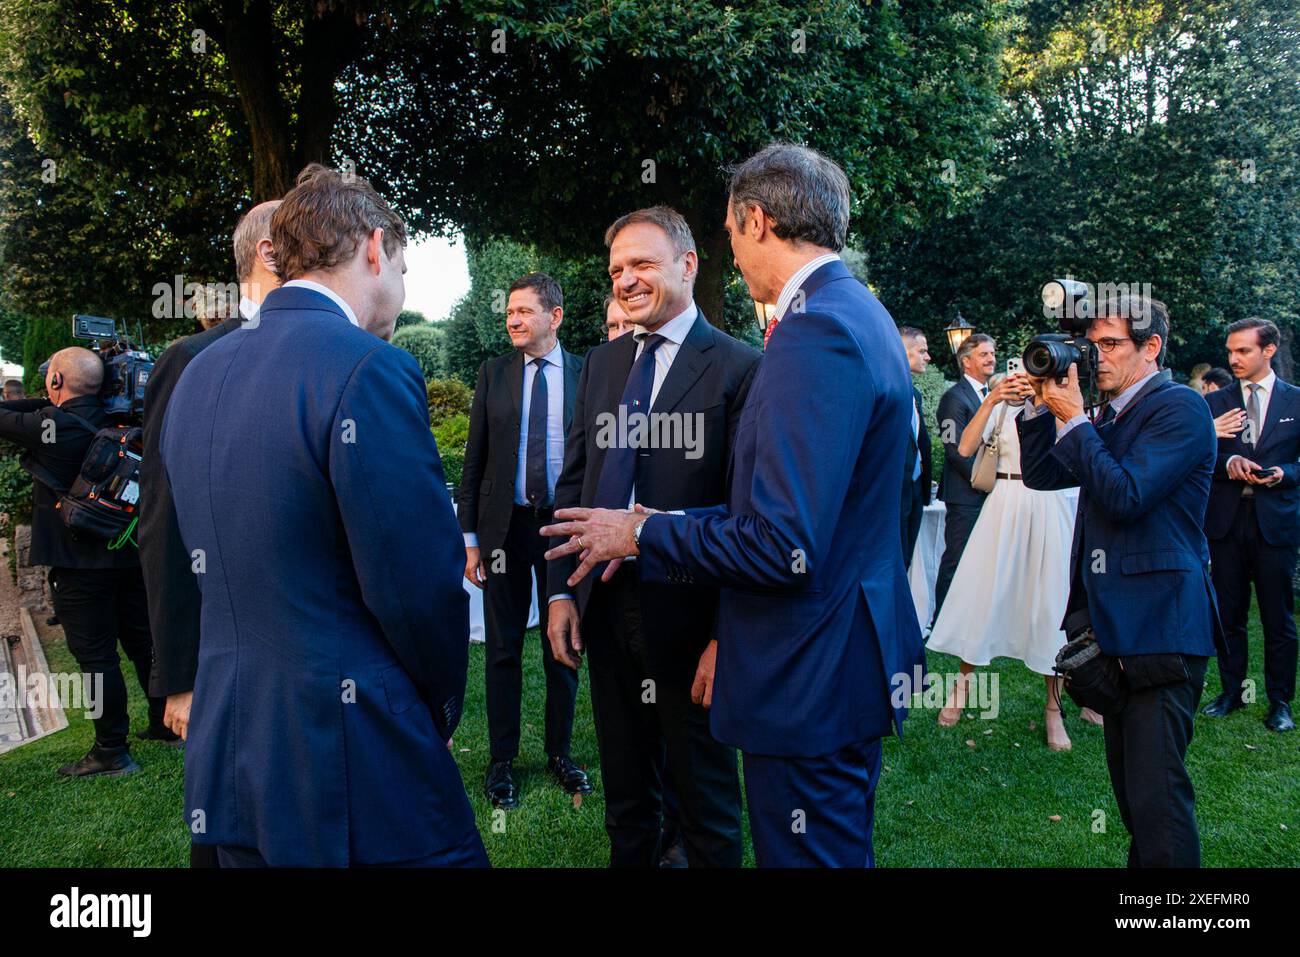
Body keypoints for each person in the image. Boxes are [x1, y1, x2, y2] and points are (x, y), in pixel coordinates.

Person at [542, 144, 924, 867]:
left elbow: (780, 541)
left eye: (728, 233)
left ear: (755, 220)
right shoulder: (857, 312)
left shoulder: (814, 333)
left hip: (809, 667)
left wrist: (646, 531)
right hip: (837, 655)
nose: (733, 255)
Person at [161, 163, 485, 867]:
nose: (401, 290)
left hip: (231, 760)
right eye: (402, 266)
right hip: (353, 763)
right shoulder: (369, 367)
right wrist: (437, 706)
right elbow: (417, 584)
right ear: (376, 247)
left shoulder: (196, 374)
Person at [546, 206, 758, 867]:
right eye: (616, 269)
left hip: (691, 622)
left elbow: (746, 517)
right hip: (605, 615)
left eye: (643, 264)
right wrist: (559, 594)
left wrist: (728, 636)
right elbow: (574, 484)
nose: (627, 280)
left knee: (707, 810)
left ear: (688, 265)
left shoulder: (738, 369)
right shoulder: (604, 365)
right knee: (627, 801)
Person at [1018, 293, 1223, 867]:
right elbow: (1039, 476)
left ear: (1151, 347)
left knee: (1158, 800)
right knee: (1134, 797)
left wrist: (1075, 419)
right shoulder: (1108, 412)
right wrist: (1041, 407)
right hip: (1113, 627)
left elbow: (1127, 495)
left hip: (1160, 625)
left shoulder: (1178, 408)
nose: (1095, 357)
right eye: (1092, 345)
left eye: (1110, 345)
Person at [138, 199, 280, 867]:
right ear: (271, 254)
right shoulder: (192, 356)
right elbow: (163, 520)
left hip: (301, 660)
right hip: (219, 658)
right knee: (226, 830)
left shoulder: (343, 352)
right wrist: (178, 675)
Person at [0, 348, 167, 776]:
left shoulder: (51, 427)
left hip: (78, 567)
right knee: (144, 644)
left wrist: (42, 401)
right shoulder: (129, 420)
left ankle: (111, 750)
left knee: (96, 658)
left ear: (55, 382)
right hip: (130, 556)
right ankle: (164, 724)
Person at [457, 272, 589, 809]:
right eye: (509, 311)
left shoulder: (589, 372)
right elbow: (474, 460)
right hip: (505, 527)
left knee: (564, 642)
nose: (512, 320)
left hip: (564, 526)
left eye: (523, 311)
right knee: (504, 648)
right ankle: (502, 761)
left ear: (553, 317)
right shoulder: (494, 373)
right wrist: (470, 539)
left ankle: (560, 752)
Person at [927, 371, 1097, 749]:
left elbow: (1086, 452)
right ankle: (962, 688)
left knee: (1050, 607)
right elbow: (965, 448)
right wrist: (991, 400)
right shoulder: (1003, 406)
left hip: (1050, 507)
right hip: (1004, 503)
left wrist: (1062, 404)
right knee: (983, 597)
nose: (1033, 380)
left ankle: (1054, 710)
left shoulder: (1064, 407)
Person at [1201, 317, 1298, 732]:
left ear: (1269, 350)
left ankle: (1279, 702)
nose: (1234, 359)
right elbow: (1196, 456)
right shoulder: (1213, 402)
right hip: (1225, 522)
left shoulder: (1296, 401)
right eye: (1230, 351)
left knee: (1279, 617)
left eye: (1243, 351)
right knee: (1228, 614)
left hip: (1275, 522)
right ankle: (1232, 693)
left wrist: (1284, 474)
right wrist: (1227, 461)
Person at [933, 333, 996, 621]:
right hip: (965, 495)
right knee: (956, 559)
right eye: (984, 354)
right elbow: (955, 451)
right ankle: (943, 619)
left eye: (993, 353)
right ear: (966, 361)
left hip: (989, 493)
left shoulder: (990, 397)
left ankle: (977, 617)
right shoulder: (953, 398)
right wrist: (985, 482)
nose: (991, 359)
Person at [899, 326, 932, 570]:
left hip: (915, 488)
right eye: (922, 351)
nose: (928, 357)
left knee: (906, 559)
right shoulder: (885, 390)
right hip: (894, 491)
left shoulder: (915, 394)